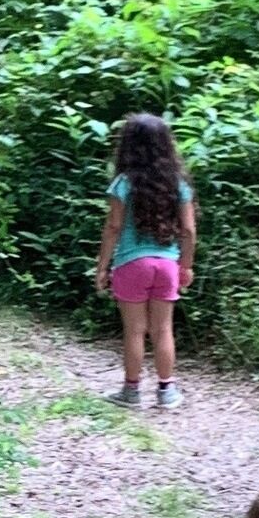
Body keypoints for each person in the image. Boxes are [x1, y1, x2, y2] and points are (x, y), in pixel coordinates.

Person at [96, 111, 196, 407]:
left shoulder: (123, 184)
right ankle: (166, 391)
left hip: (131, 264)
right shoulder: (178, 184)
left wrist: (102, 267)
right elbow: (189, 230)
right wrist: (186, 265)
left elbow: (113, 227)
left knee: (135, 330)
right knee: (163, 329)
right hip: (167, 264)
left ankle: (131, 391)